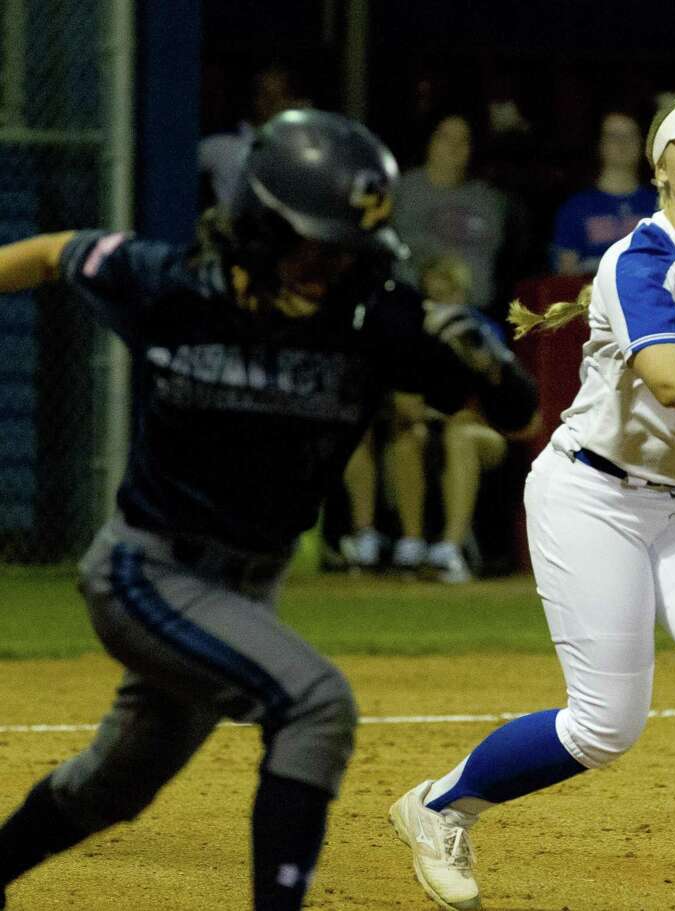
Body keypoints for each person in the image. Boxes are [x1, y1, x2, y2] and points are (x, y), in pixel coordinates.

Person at [0, 109, 537, 911]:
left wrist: (491, 365)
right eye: (311, 241)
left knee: (115, 784)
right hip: (145, 569)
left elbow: (518, 419)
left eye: (345, 247)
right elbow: (51, 252)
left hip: (247, 590)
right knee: (316, 704)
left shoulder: (372, 320)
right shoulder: (176, 285)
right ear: (255, 222)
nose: (328, 263)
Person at [387, 91, 675, 911]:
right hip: (590, 496)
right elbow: (672, 377)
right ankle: (436, 806)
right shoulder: (639, 260)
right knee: (605, 725)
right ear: (659, 168)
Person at [389, 254, 517, 583]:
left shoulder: (483, 333)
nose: (439, 304)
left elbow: (507, 399)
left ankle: (450, 549)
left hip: (486, 433)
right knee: (407, 439)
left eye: (447, 294)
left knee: (459, 438)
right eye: (432, 296)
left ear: (462, 295)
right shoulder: (415, 338)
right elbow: (406, 404)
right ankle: (412, 545)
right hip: (433, 428)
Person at [391, 112, 508, 315]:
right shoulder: (402, 193)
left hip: (474, 313)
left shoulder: (489, 200)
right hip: (413, 309)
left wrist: (462, 292)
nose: (455, 146)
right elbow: (394, 255)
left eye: (463, 140)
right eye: (445, 137)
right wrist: (427, 283)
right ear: (430, 142)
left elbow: (489, 261)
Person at [550, 111, 658, 276]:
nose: (622, 143)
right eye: (613, 136)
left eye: (630, 135)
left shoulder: (661, 205)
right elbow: (566, 275)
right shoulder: (576, 208)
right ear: (600, 144)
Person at [198, 62, 308, 208]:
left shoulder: (303, 151)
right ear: (255, 99)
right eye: (265, 94)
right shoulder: (222, 145)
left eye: (280, 95)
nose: (272, 103)